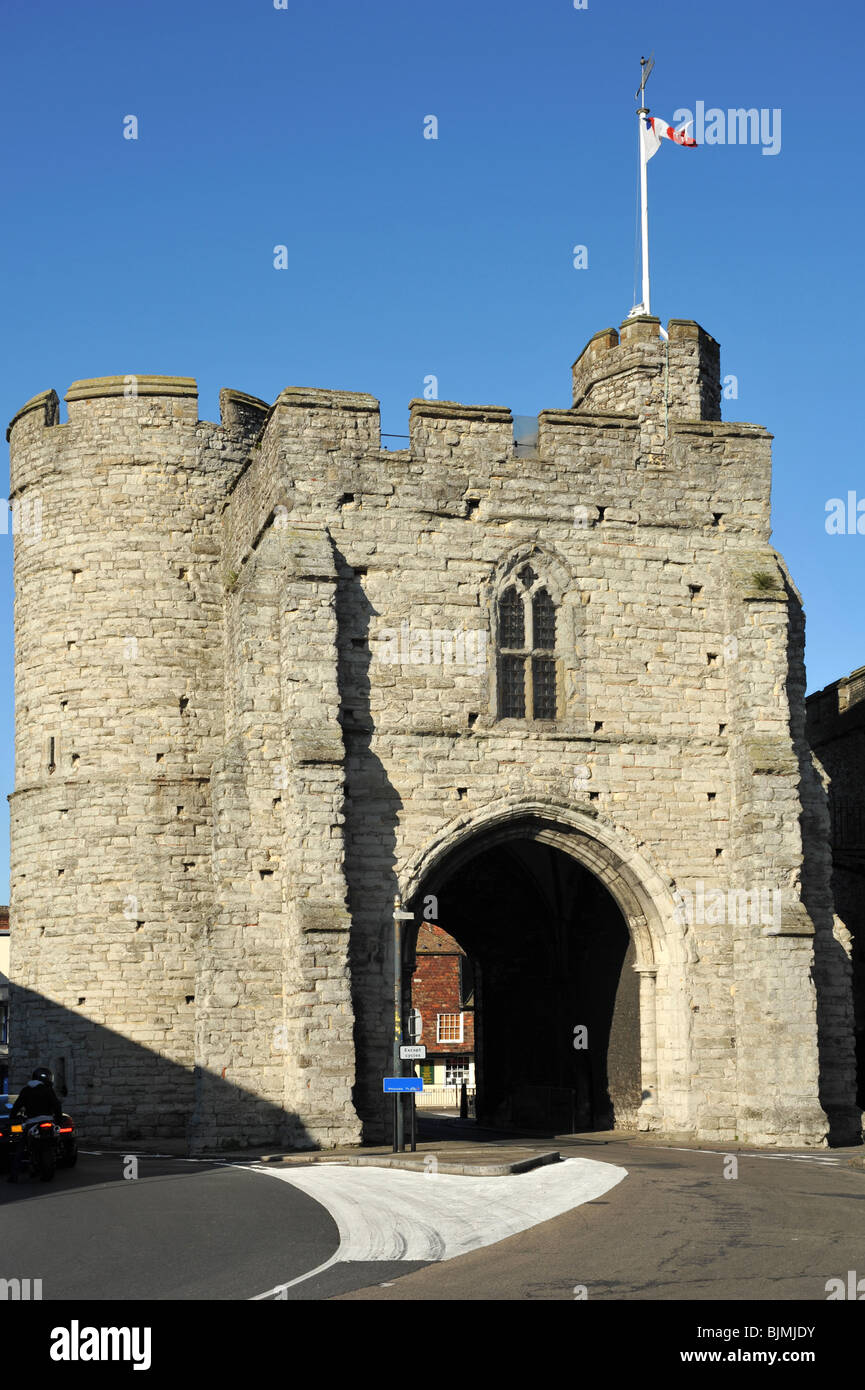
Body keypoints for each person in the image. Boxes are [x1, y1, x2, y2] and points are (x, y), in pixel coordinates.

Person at [7, 1067, 64, 1183]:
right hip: (48, 1120)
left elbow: (17, 1105)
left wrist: (12, 1116)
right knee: (57, 1138)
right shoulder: (48, 1090)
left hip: (31, 1122)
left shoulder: (26, 1090)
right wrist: (58, 1120)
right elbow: (57, 1105)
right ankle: (59, 1152)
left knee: (21, 1147)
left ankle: (14, 1175)